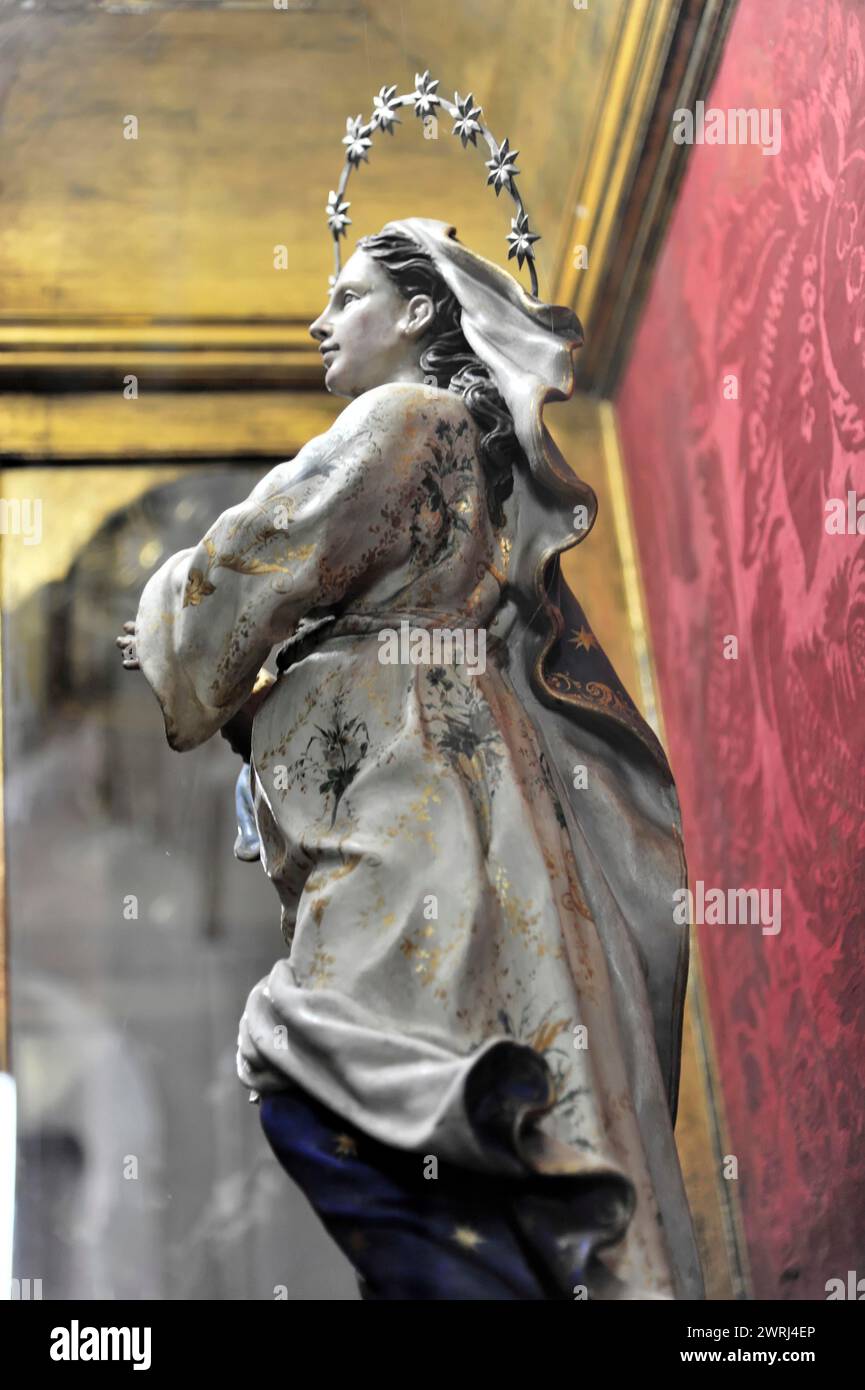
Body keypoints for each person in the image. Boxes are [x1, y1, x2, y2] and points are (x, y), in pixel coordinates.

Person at [117, 218, 704, 1300]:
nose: (317, 319)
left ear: (421, 313)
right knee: (373, 1079)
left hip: (413, 803)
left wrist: (163, 613)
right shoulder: (438, 441)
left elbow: (258, 557)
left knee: (330, 1060)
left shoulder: (406, 416)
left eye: (344, 297)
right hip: (422, 787)